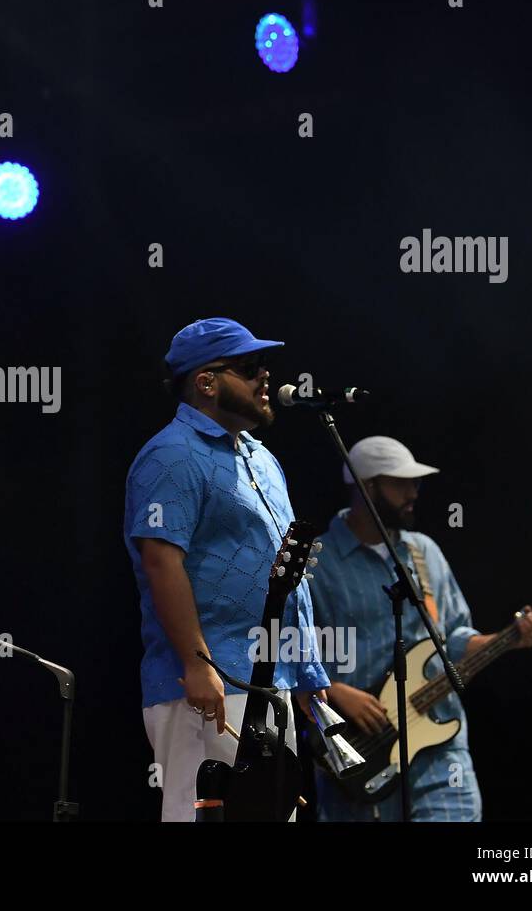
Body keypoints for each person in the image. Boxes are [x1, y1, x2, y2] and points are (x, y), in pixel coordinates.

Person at [124, 317, 329, 822]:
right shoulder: (170, 455)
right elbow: (160, 560)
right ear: (206, 382)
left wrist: (305, 672)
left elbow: (287, 578)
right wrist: (197, 663)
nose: (265, 378)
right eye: (249, 367)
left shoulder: (262, 460)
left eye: (264, 366)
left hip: (269, 683)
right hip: (207, 685)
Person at [309, 435, 532, 821]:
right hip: (360, 749)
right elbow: (289, 653)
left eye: (416, 482)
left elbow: (453, 638)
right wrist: (332, 690)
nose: (413, 492)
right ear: (366, 487)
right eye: (400, 483)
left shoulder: (424, 552)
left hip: (439, 745)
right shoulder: (318, 563)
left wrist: (510, 639)